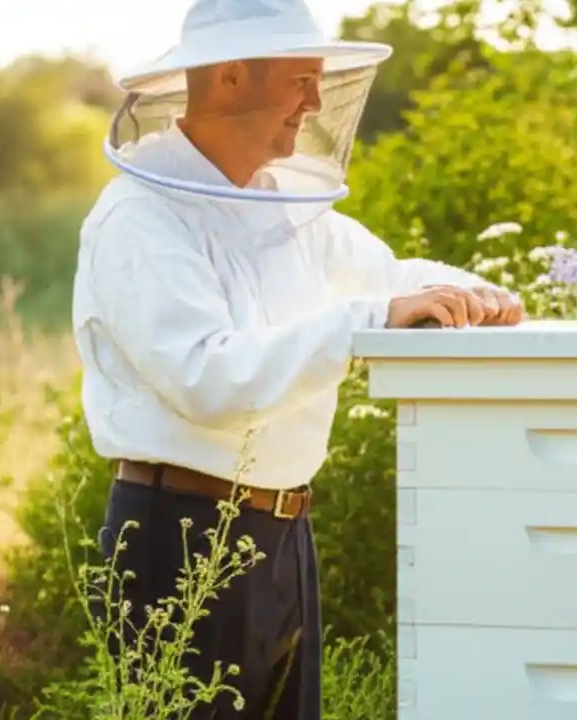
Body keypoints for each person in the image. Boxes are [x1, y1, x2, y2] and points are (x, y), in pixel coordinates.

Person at [70, 0, 524, 717]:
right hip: (181, 534)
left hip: (281, 534)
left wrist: (467, 293)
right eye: (301, 80)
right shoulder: (140, 218)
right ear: (228, 77)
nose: (314, 104)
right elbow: (207, 378)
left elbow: (386, 277)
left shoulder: (281, 206)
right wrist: (370, 320)